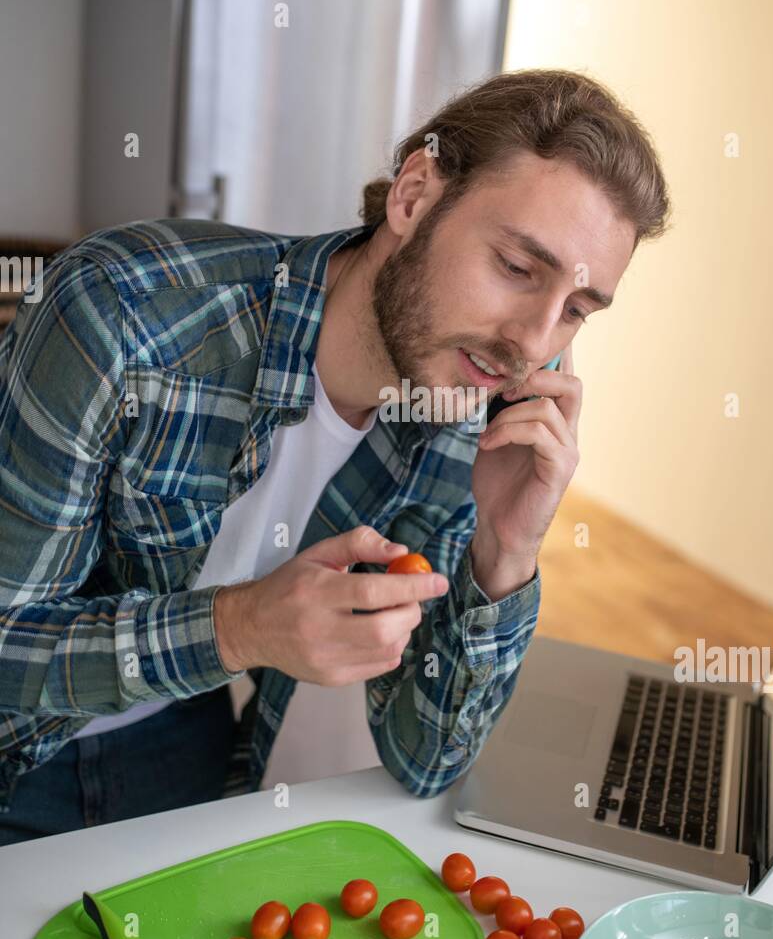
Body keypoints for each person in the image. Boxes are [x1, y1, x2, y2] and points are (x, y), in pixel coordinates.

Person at [0, 68, 669, 844]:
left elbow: (428, 762)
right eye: (518, 269)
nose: (530, 344)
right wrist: (239, 629)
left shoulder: (468, 413)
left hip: (178, 737)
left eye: (576, 312)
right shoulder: (125, 314)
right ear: (414, 194)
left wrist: (505, 549)